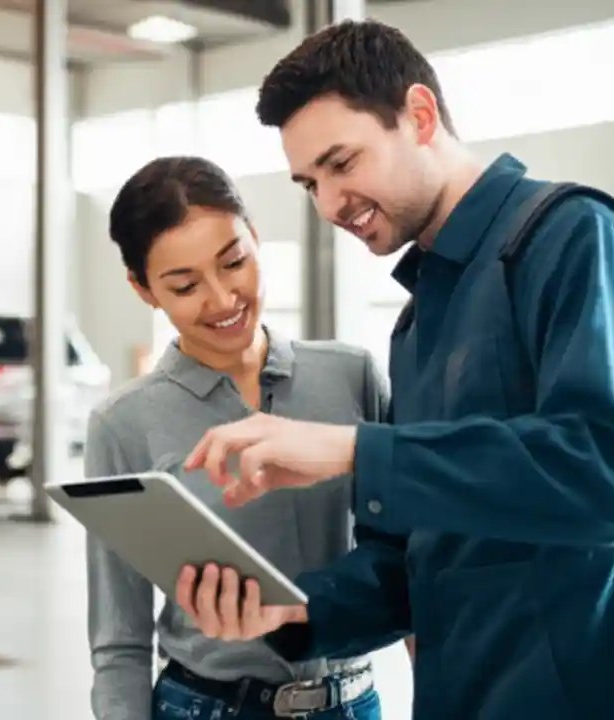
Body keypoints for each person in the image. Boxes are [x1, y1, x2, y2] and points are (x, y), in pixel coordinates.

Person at [173, 19, 614, 720]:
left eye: (343, 163)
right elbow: (412, 556)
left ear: (420, 116)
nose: (329, 204)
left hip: (592, 677)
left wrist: (352, 450)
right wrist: (293, 610)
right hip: (465, 684)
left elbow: (605, 474)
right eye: (310, 183)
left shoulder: (575, 238)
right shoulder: (419, 320)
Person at [85, 156, 410, 720]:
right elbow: (120, 640)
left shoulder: (352, 374)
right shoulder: (123, 422)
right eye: (185, 285)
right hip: (208, 706)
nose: (221, 299)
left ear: (256, 238)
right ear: (144, 289)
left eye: (233, 262)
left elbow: (407, 562)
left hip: (354, 702)